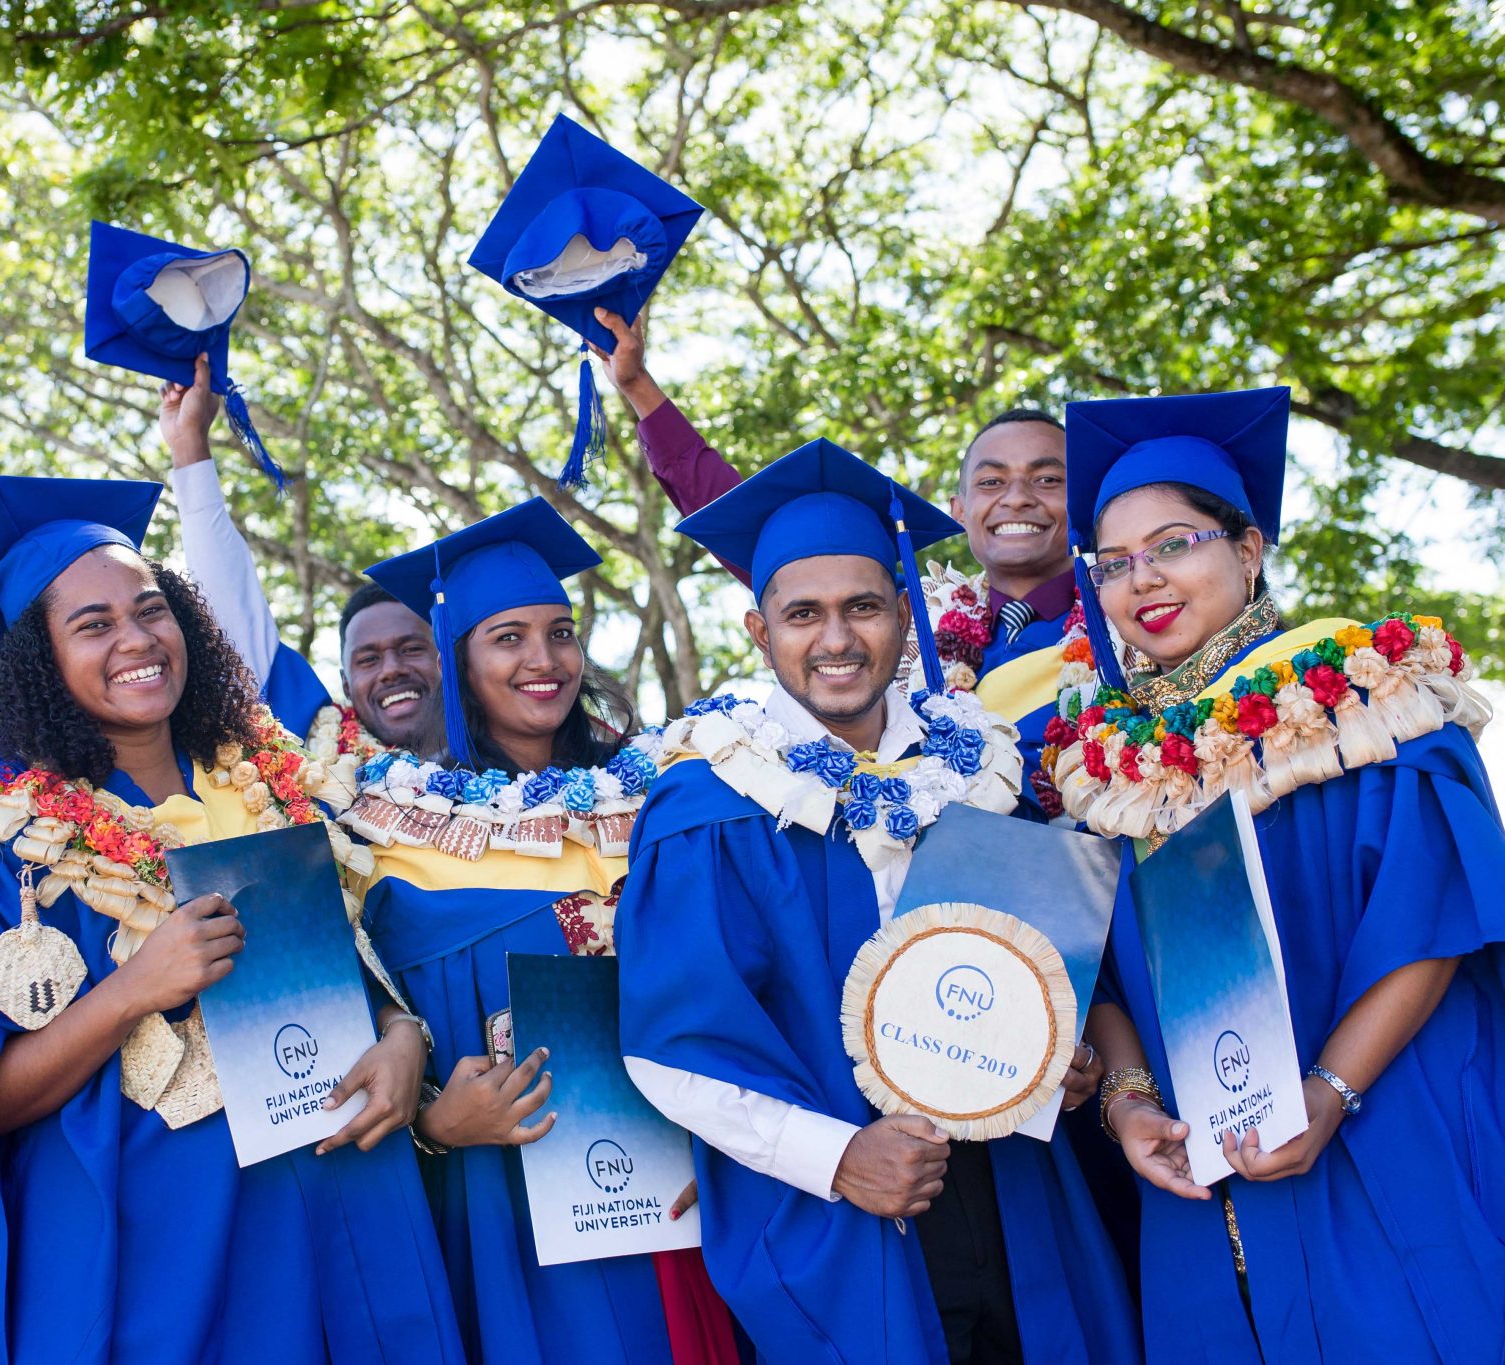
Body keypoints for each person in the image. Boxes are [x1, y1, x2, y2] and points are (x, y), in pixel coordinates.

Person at [0, 474, 463, 1365]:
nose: (136, 638)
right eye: (93, 624)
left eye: (150, 608)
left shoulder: (279, 800)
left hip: (347, 1203)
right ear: (42, 662)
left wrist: (402, 1040)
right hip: (169, 1264)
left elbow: (365, 974)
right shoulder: (7, 868)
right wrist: (131, 991)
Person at [617, 436, 1140, 1363]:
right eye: (802, 613)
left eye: (863, 607)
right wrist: (838, 1158)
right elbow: (675, 1046)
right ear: (758, 629)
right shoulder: (712, 801)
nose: (835, 639)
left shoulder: (976, 773)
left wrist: (1067, 1061)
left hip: (1019, 1191)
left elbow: (1040, 970)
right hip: (838, 1213)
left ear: (905, 613)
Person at [1039, 386, 1505, 1362]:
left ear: (1245, 550)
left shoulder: (1365, 703)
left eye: (1172, 543)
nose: (1142, 580)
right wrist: (1125, 1103)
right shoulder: (1115, 769)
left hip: (1384, 1128)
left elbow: (1432, 918)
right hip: (1197, 1191)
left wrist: (1330, 1088)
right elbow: (1107, 977)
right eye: (1115, 562)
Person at [343, 497, 739, 1365]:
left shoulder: (657, 796)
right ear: (458, 663)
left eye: (560, 631)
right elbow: (374, 1022)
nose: (543, 659)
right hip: (499, 1204)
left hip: (678, 1187)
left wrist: (719, 1138)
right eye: (507, 636)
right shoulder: (385, 830)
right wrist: (436, 1126)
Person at [592, 310, 1088, 812]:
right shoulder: (913, 615)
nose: (1017, 498)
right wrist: (639, 389)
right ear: (958, 509)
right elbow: (774, 541)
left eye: (1048, 480)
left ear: (1084, 499)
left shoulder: (1130, 627)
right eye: (991, 482)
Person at [160, 352, 442, 757]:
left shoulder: (516, 761)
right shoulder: (318, 766)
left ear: (445, 660)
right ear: (346, 686)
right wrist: (189, 445)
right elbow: (232, 616)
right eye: (368, 659)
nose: (392, 669)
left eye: (412, 648)